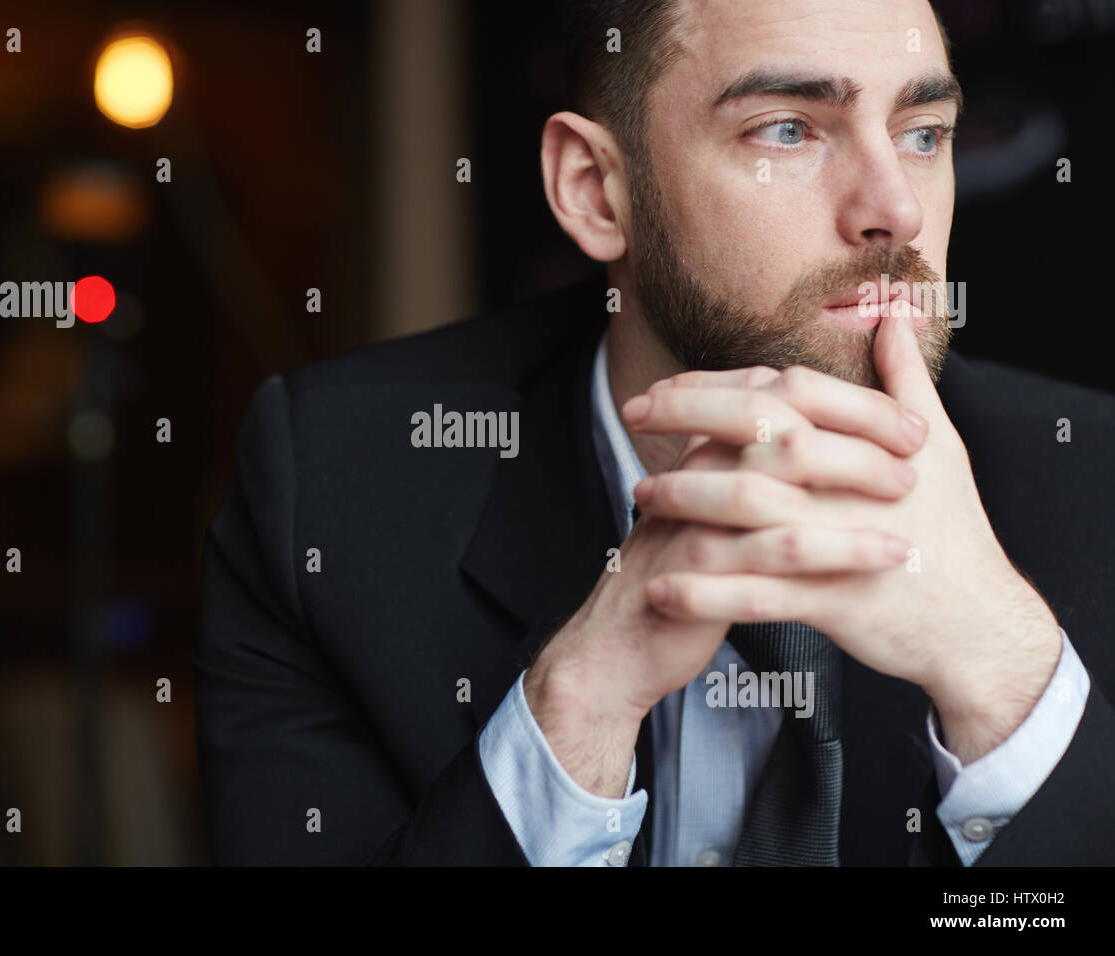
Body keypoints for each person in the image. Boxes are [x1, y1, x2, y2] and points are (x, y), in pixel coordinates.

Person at [194, 0, 1115, 865]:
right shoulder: (329, 487)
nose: (898, 211)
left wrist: (1003, 673)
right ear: (596, 190)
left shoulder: (1094, 485)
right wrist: (575, 708)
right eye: (787, 129)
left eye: (924, 135)